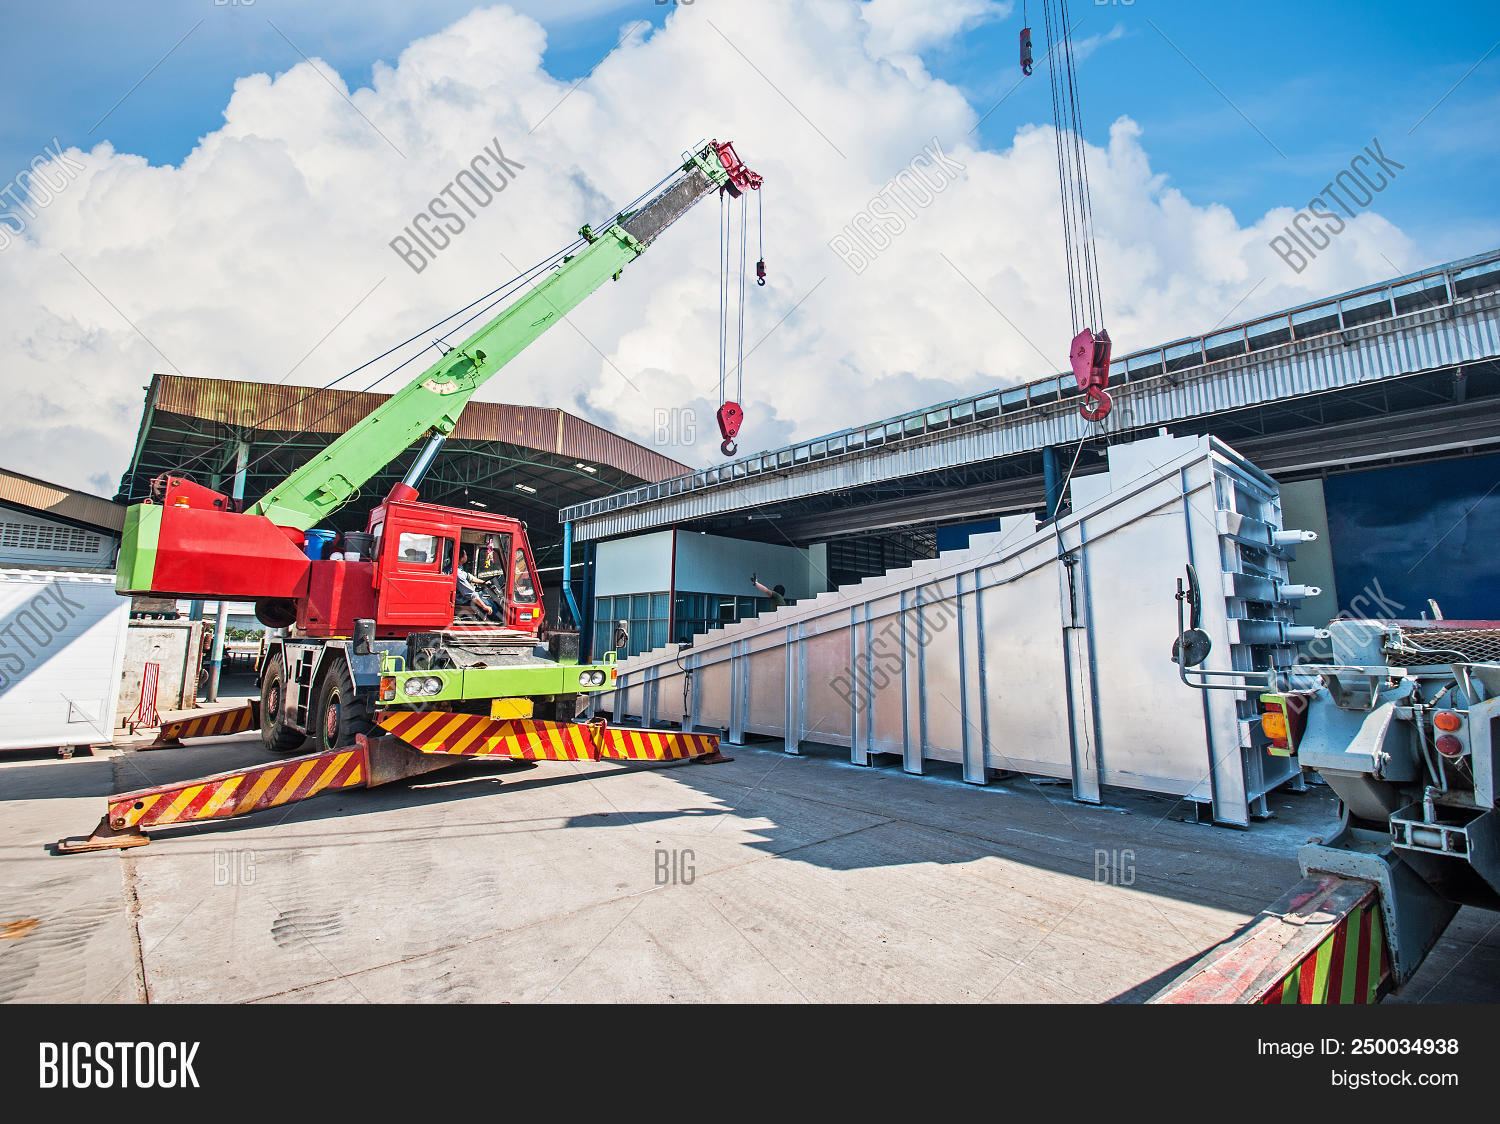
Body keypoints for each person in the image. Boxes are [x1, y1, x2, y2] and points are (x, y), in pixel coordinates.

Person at [456, 549, 499, 619]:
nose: (466, 556)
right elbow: (471, 594)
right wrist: (484, 606)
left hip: (464, 598)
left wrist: (484, 582)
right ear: (461, 558)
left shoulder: (458, 569)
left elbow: (469, 577)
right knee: (491, 605)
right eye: (465, 554)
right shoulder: (458, 574)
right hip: (462, 601)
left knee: (484, 597)